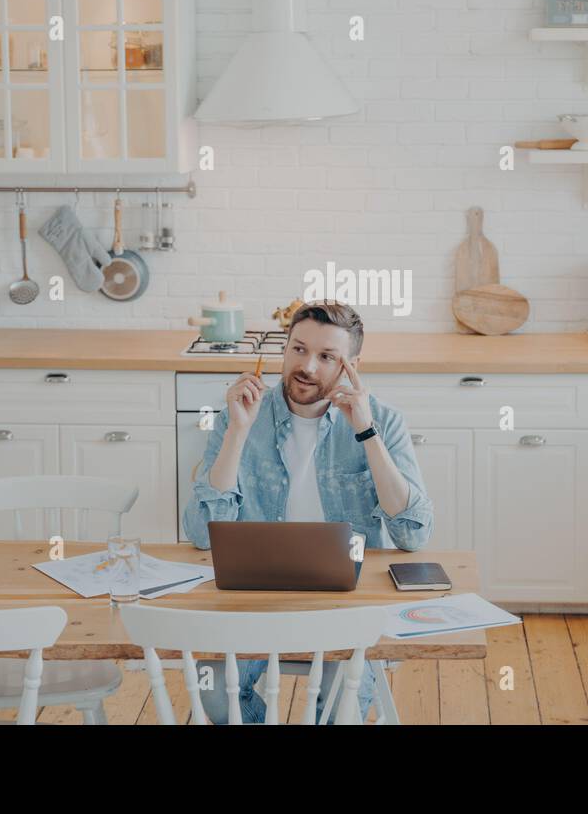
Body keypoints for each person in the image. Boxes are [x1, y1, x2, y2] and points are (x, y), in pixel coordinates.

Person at [182, 300, 433, 723]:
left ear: (352, 365)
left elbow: (413, 535)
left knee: (344, 701)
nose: (308, 367)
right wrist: (238, 432)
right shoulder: (239, 415)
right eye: (298, 349)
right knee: (210, 682)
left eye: (326, 357)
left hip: (346, 609)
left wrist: (366, 432)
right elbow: (200, 535)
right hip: (254, 604)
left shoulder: (383, 422)